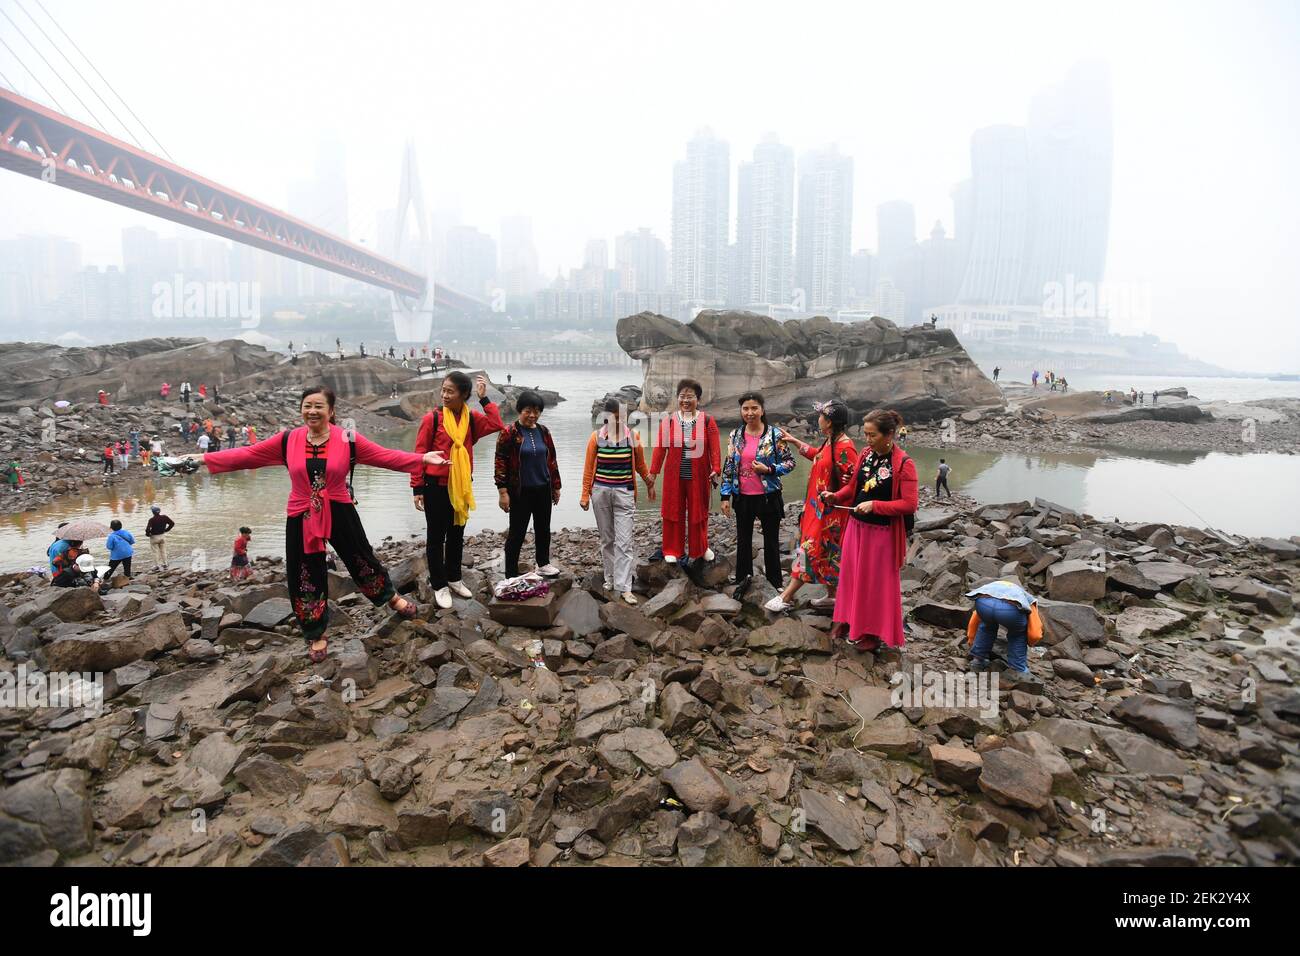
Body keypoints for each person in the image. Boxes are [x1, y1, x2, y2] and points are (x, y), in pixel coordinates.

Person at [194, 386, 436, 662]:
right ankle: (315, 633)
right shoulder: (287, 441)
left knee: (361, 558)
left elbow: (386, 457)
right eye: (307, 405)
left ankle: (390, 598)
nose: (312, 411)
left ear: (331, 411)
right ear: (301, 409)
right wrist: (202, 459)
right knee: (305, 572)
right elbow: (246, 455)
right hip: (301, 511)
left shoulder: (348, 439)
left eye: (318, 406)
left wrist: (422, 460)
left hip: (339, 507)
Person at [821, 408, 918, 650]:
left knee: (875, 583)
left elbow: (909, 504)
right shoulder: (865, 454)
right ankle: (846, 620)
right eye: (865, 434)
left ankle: (872, 633)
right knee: (851, 576)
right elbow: (854, 489)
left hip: (882, 533)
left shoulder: (904, 464)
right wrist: (835, 496)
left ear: (890, 435)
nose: (867, 439)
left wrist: (875, 505)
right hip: (856, 526)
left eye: (872, 435)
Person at [412, 371, 505, 609]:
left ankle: (454, 578)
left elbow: (496, 424)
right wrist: (417, 488)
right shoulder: (432, 419)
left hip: (461, 485)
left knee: (456, 533)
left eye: (450, 391)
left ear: (464, 395)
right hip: (435, 487)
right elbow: (418, 455)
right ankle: (439, 585)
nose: (444, 395)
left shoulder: (471, 419)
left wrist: (484, 399)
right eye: (443, 390)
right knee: (435, 537)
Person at [767, 400, 856, 613]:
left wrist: (835, 495)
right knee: (828, 553)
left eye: (821, 416)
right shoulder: (830, 442)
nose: (818, 419)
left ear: (830, 422)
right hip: (817, 509)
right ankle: (833, 596)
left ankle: (786, 596)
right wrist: (795, 441)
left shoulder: (846, 447)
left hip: (830, 513)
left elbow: (853, 483)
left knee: (809, 550)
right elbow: (819, 456)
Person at [580, 396, 655, 605]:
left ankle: (625, 587)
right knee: (607, 540)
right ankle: (610, 577)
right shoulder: (596, 438)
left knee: (624, 542)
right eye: (614, 417)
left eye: (622, 416)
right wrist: (585, 495)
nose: (619, 421)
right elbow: (588, 470)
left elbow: (640, 465)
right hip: (601, 492)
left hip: (624, 493)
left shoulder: (634, 437)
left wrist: (649, 483)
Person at [719, 392, 795, 590]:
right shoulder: (735, 435)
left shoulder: (775, 435)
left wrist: (769, 469)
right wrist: (725, 495)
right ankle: (743, 578)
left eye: (754, 408)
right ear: (741, 411)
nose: (750, 412)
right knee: (743, 540)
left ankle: (775, 582)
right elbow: (729, 466)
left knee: (771, 541)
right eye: (745, 408)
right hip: (743, 496)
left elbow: (790, 463)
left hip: (769, 496)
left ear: (762, 410)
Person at [648, 378, 721, 565]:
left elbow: (715, 448)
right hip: (674, 476)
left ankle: (701, 548)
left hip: (699, 476)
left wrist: (716, 468)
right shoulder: (669, 420)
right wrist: (653, 473)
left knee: (699, 511)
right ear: (677, 398)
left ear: (698, 399)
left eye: (690, 397)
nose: (686, 400)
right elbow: (659, 449)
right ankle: (672, 549)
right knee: (673, 511)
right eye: (682, 396)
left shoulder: (707, 420)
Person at [495, 390, 562, 579]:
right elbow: (500, 462)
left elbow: (552, 460)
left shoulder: (543, 431)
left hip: (543, 488)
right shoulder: (509, 433)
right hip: (520, 491)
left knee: (543, 528)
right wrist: (503, 492)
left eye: (537, 411)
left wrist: (556, 486)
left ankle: (543, 563)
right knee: (517, 532)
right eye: (528, 410)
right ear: (519, 410)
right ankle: (510, 573)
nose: (532, 415)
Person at [965, 579, 1042, 677]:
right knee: (1017, 635)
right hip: (1010, 610)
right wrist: (1031, 642)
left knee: (986, 627)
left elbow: (975, 619)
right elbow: (1035, 632)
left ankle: (977, 661)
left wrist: (971, 639)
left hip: (983, 602)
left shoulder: (993, 586)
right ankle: (1018, 670)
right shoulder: (1029, 600)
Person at [145, 505, 174, 570]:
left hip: (154, 537)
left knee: (155, 552)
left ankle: (157, 566)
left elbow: (147, 529)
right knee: (163, 551)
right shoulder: (164, 517)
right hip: (162, 536)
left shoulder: (151, 520)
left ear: (153, 512)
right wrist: (166, 530)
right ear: (159, 511)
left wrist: (148, 534)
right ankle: (165, 564)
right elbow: (172, 523)